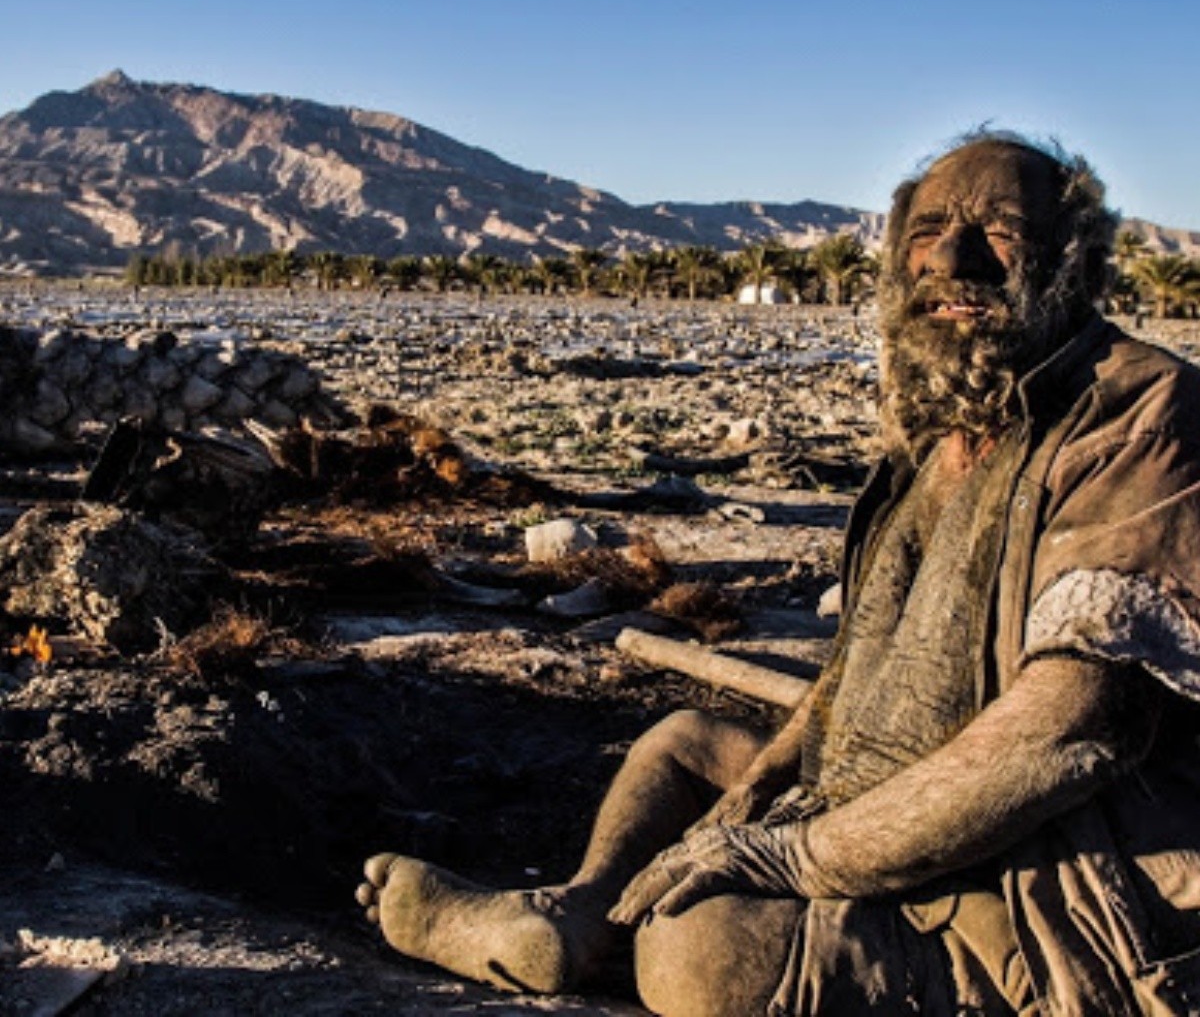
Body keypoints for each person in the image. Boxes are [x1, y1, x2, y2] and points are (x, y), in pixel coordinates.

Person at [356, 135, 1200, 1014]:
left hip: (1043, 866)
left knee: (703, 948)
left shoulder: (1141, 415)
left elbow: (1064, 732)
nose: (953, 256)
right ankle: (578, 912)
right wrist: (768, 788)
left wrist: (792, 854)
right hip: (872, 802)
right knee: (683, 746)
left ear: (1072, 256)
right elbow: (855, 676)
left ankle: (644, 940)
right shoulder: (940, 430)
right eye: (932, 227)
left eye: (1002, 227)